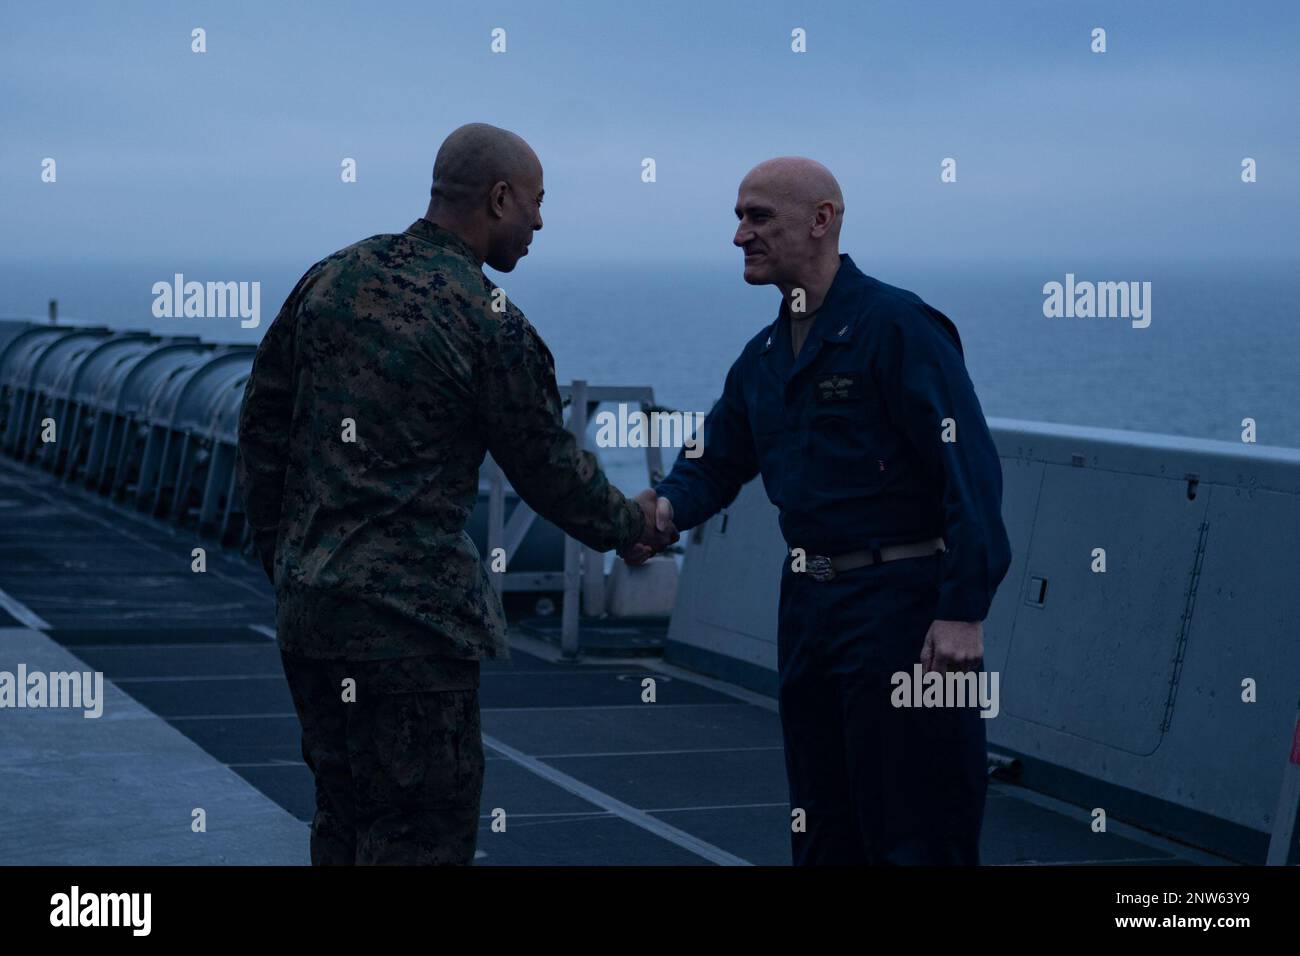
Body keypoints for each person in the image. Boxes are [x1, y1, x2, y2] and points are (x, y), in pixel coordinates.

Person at [235, 123, 675, 865]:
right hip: (413, 636)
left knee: (341, 819)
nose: (540, 222)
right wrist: (628, 523)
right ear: (499, 198)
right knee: (417, 840)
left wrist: (289, 561)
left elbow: (261, 428)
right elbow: (546, 464)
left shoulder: (331, 278)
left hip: (312, 620)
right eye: (536, 202)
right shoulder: (486, 318)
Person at [647, 157, 1011, 865]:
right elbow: (715, 458)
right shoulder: (765, 355)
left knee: (918, 829)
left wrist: (963, 610)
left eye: (758, 217)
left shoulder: (898, 327)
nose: (740, 235)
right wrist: (661, 511)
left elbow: (968, 470)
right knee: (822, 827)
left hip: (901, 610)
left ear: (822, 220)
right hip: (810, 610)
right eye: (738, 218)